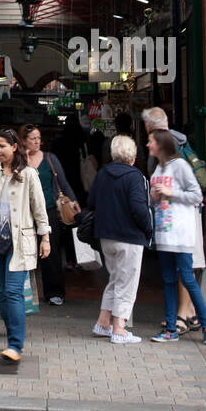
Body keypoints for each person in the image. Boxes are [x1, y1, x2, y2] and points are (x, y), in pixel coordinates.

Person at [0, 127, 50, 364]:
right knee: (2, 292)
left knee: (15, 292)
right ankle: (11, 335)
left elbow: (39, 208)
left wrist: (45, 237)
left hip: (19, 242)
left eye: (2, 146)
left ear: (14, 147)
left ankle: (15, 344)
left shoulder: (28, 174)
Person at [147, 130, 206, 345]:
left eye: (151, 141)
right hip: (164, 234)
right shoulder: (158, 168)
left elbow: (196, 194)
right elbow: (156, 202)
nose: (147, 145)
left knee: (187, 279)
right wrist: (155, 197)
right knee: (168, 281)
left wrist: (170, 193)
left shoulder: (181, 166)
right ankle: (170, 330)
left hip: (181, 234)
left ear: (161, 144)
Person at [142, 106, 206, 334]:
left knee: (183, 269)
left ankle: (184, 315)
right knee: (181, 270)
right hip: (178, 216)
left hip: (181, 217)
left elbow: (192, 190)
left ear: (150, 127)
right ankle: (189, 314)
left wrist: (167, 195)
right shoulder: (180, 141)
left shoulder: (170, 146)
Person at [87, 134, 152, 344]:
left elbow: (91, 201)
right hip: (130, 237)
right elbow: (139, 208)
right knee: (127, 284)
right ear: (133, 155)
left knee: (115, 279)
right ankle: (119, 328)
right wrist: (149, 229)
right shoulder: (135, 177)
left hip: (106, 236)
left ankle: (102, 322)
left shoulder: (103, 173)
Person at [22, 124, 79, 306]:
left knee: (51, 252)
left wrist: (74, 202)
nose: (37, 142)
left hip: (48, 211)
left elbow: (62, 182)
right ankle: (24, 292)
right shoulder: (19, 161)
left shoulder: (49, 158)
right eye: (32, 138)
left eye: (39, 138)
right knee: (24, 252)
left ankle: (54, 292)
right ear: (23, 141)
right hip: (24, 212)